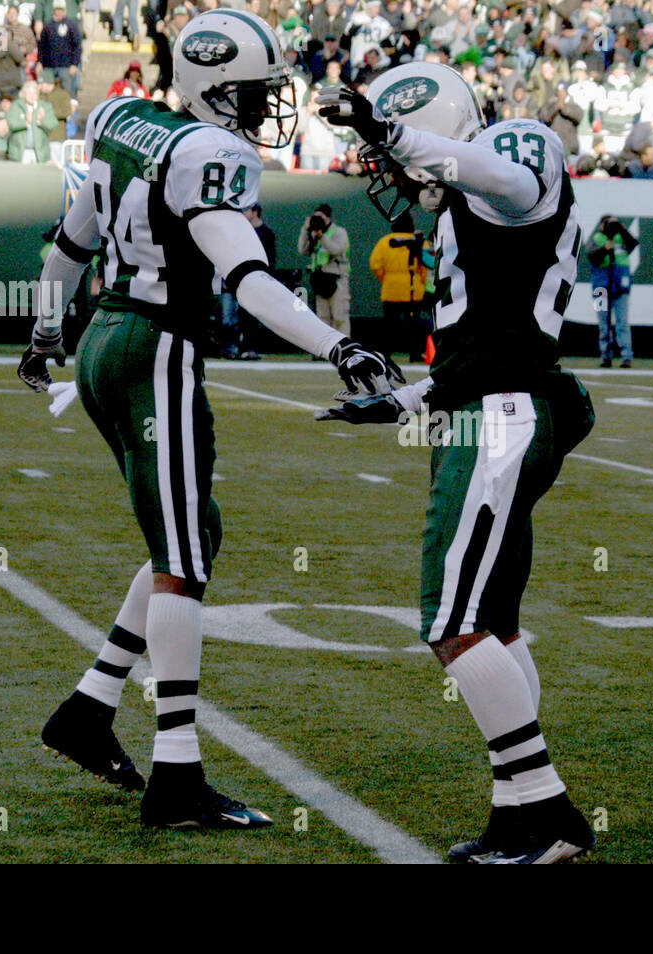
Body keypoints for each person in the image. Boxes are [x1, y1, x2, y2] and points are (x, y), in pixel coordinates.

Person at [21, 10, 400, 831]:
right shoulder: (211, 154)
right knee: (185, 557)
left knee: (193, 530)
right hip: (156, 345)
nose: (267, 108)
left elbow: (68, 243)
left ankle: (89, 708)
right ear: (216, 87)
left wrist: (47, 332)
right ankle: (178, 775)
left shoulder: (124, 121)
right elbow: (250, 279)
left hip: (103, 341)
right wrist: (339, 349)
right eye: (256, 93)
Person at [316, 63, 597, 864]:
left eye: (396, 154)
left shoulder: (513, 147)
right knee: (494, 619)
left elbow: (504, 173)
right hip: (488, 401)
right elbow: (482, 342)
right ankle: (520, 810)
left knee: (452, 621)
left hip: (505, 411)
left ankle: (544, 811)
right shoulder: (463, 204)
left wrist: (396, 133)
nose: (392, 176)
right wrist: (406, 401)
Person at [220, 201, 277, 360]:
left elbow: (270, 259)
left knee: (250, 316)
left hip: (255, 280)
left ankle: (248, 348)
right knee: (231, 317)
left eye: (246, 211)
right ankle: (233, 348)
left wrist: (267, 279)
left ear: (254, 212)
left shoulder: (266, 233)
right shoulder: (242, 231)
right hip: (238, 279)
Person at [368, 209, 427, 361]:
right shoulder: (419, 241)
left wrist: (386, 278)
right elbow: (426, 265)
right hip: (413, 290)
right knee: (413, 326)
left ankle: (386, 354)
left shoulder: (385, 241)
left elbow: (375, 265)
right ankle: (415, 354)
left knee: (389, 326)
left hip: (391, 289)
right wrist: (421, 280)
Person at [587, 214, 637, 368]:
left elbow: (633, 243)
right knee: (603, 324)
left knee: (622, 323)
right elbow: (591, 256)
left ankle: (626, 356)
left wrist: (621, 228)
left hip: (620, 288)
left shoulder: (621, 238)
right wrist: (605, 248)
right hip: (601, 288)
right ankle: (605, 356)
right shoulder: (596, 238)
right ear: (602, 225)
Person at [298, 202, 350, 336]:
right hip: (320, 278)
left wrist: (322, 237)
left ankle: (343, 348)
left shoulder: (339, 232)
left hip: (337, 278)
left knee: (339, 316)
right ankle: (325, 349)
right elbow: (302, 250)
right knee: (322, 317)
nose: (318, 221)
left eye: (321, 218)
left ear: (328, 218)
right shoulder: (313, 233)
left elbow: (336, 250)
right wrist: (306, 230)